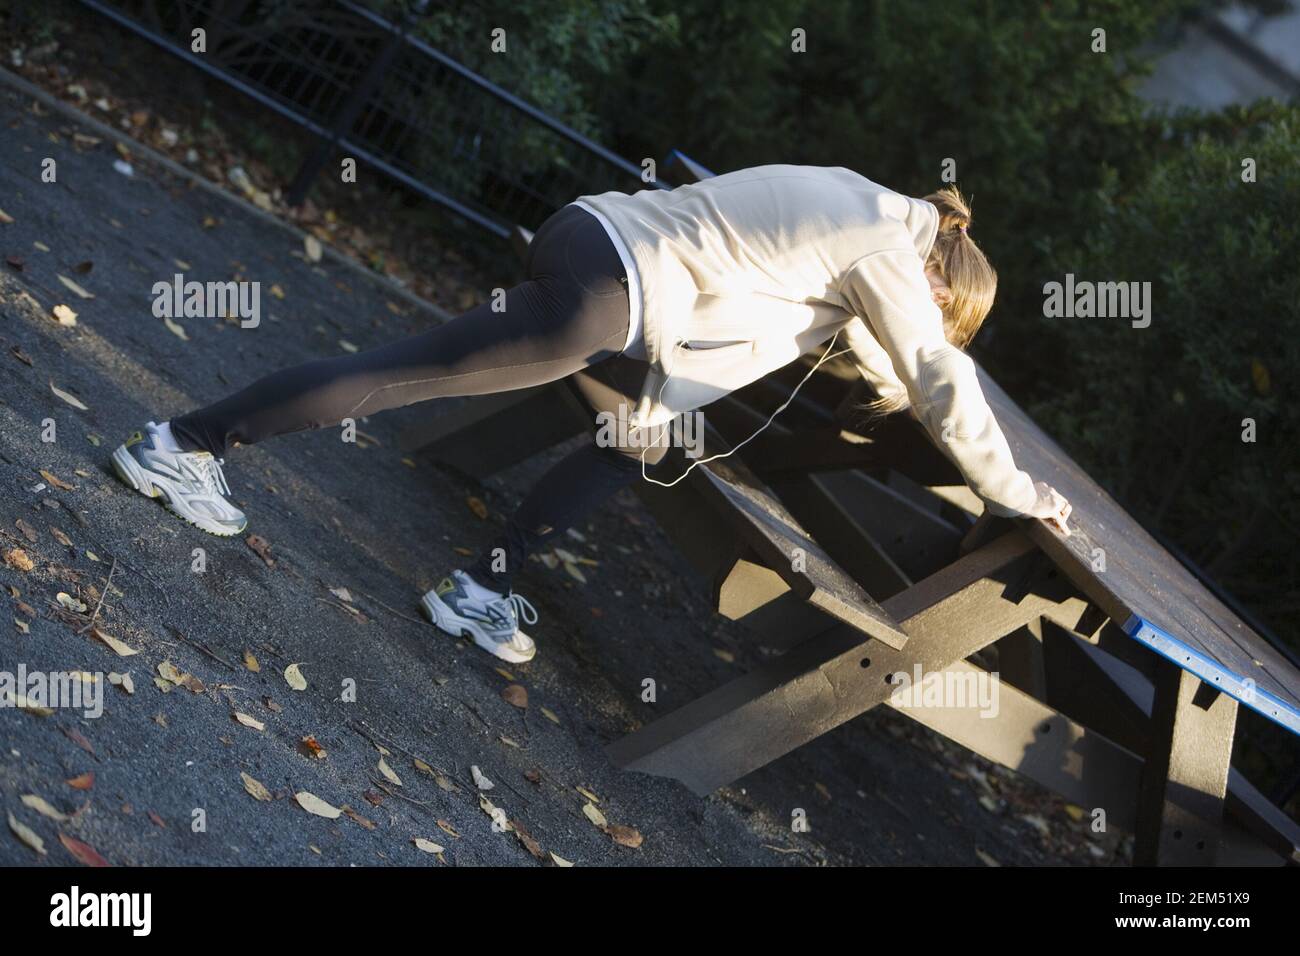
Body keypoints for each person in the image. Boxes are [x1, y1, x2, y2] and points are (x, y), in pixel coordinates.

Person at [110, 165, 1072, 663]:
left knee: (636, 442)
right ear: (940, 285)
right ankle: (182, 444)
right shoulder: (889, 255)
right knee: (405, 374)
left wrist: (895, 384)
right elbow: (935, 371)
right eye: (946, 315)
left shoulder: (869, 209)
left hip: (600, 246)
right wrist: (1017, 491)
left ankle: (481, 588)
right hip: (610, 291)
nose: (930, 319)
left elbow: (861, 338)